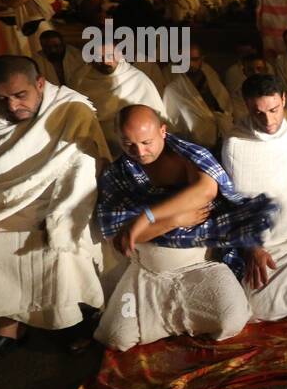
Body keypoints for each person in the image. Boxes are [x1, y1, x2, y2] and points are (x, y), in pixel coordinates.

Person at [0, 56, 109, 370]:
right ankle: (6, 328)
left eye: (21, 96)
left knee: (60, 246)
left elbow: (80, 171)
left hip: (64, 200)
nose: (12, 106)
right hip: (5, 203)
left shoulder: (72, 109)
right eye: (2, 98)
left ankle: (79, 317)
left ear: (40, 83)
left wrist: (58, 218)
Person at [94, 106, 274, 350]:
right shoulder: (118, 174)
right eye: (129, 144)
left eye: (146, 142)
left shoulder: (190, 155)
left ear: (163, 131)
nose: (139, 151)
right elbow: (120, 237)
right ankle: (164, 321)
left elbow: (206, 191)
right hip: (147, 276)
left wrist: (146, 218)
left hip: (200, 268)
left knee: (231, 319)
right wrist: (173, 220)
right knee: (116, 337)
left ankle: (177, 320)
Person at [222, 74, 287, 321]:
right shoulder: (236, 143)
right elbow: (235, 204)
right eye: (258, 113)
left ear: (284, 99)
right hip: (266, 246)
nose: (268, 120)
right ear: (247, 107)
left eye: (274, 110)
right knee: (261, 308)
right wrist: (252, 248)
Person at [70, 43, 166, 156]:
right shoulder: (81, 80)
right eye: (99, 57)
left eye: (110, 56)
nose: (105, 61)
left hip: (136, 147)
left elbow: (156, 117)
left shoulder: (137, 79)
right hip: (98, 145)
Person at [162, 42, 232, 150]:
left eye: (194, 59)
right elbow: (173, 118)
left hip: (221, 135)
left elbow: (224, 103)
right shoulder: (172, 84)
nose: (190, 64)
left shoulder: (208, 74)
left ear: (202, 59)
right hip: (192, 144)